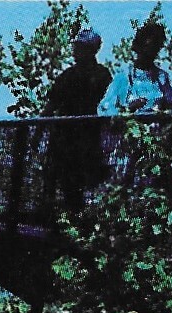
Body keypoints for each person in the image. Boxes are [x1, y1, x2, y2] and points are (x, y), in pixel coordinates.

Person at [42, 28, 113, 210]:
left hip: (88, 141)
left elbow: (109, 107)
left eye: (80, 47)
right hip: (65, 141)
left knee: (85, 185)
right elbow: (51, 105)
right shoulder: (68, 76)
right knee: (63, 184)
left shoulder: (102, 76)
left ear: (91, 50)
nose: (75, 51)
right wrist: (38, 133)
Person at [103, 20, 172, 114]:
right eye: (147, 47)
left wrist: (165, 110)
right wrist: (128, 109)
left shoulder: (161, 77)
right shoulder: (124, 77)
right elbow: (105, 109)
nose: (150, 53)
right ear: (138, 47)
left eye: (155, 48)